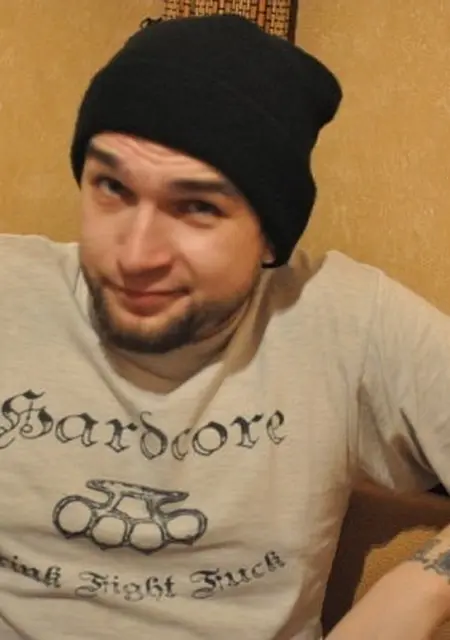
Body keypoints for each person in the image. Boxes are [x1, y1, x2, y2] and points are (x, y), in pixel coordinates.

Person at [1, 12, 450, 640]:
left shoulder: (342, 320)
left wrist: (419, 592)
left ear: (269, 237)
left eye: (197, 206)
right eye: (112, 187)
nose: (136, 255)